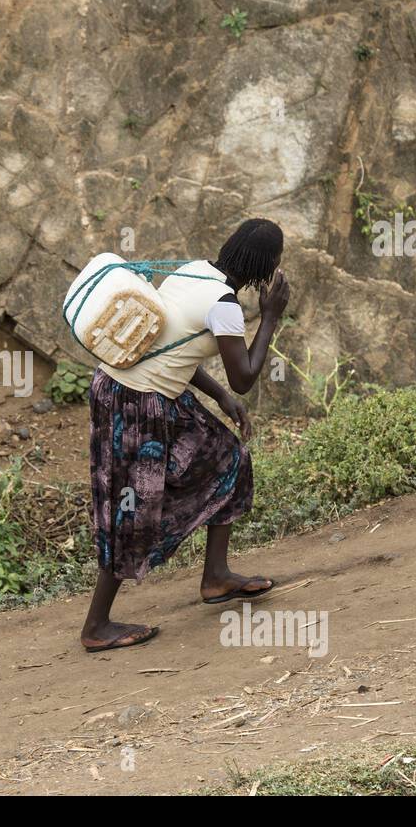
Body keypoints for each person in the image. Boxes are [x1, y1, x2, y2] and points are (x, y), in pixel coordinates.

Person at [79, 219, 291, 652]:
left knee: (227, 456)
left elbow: (170, 345)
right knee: (133, 506)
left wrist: (220, 400)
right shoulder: (226, 306)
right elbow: (246, 378)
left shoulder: (194, 270)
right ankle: (96, 625)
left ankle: (216, 577)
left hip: (128, 388)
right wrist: (270, 319)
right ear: (266, 269)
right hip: (137, 403)